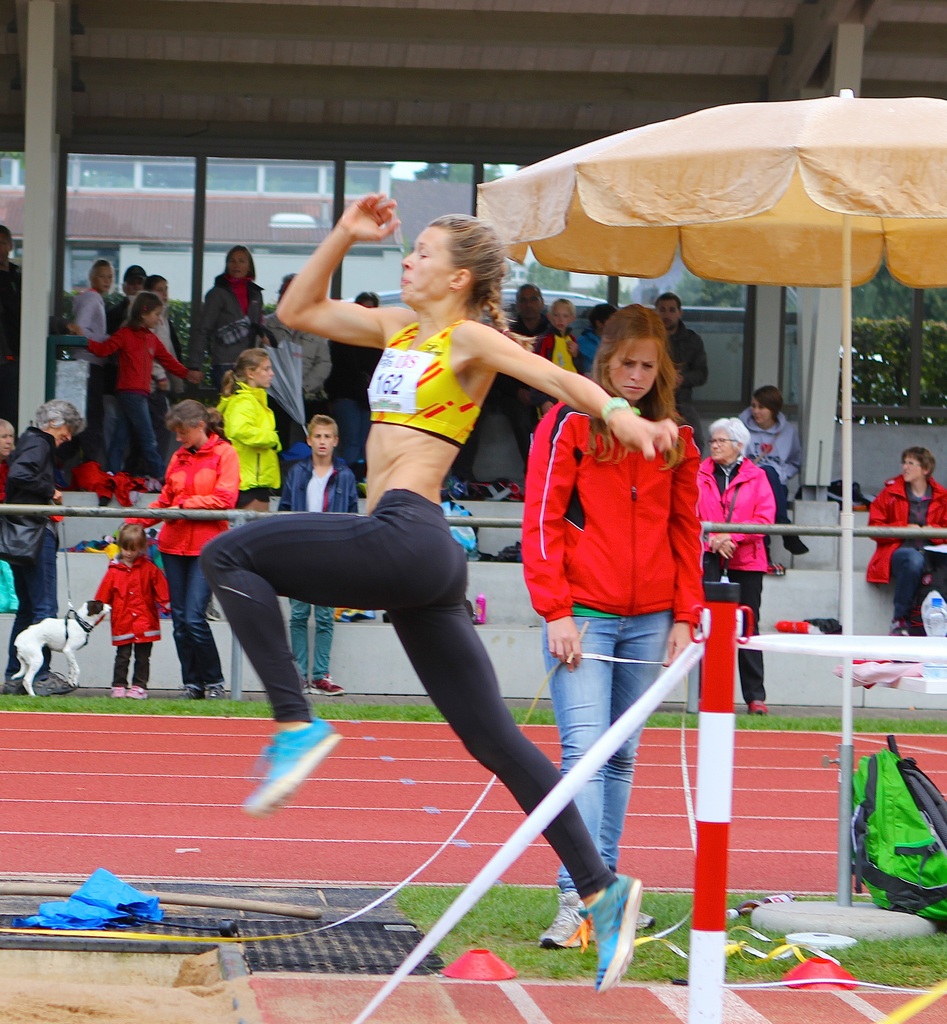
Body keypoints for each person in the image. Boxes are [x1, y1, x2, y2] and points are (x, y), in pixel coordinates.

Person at [200, 194, 680, 994]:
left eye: (419, 251)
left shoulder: (468, 336)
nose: (406, 259)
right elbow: (297, 309)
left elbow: (558, 376)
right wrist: (344, 234)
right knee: (496, 742)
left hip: (408, 532)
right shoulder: (395, 326)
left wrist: (623, 418)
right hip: (418, 564)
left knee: (228, 554)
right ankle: (601, 887)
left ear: (458, 277)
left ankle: (294, 724)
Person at [522, 304, 702, 949]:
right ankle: (580, 897)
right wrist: (557, 611)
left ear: (662, 371)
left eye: (647, 366)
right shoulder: (569, 425)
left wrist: (686, 615)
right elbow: (542, 519)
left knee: (620, 757)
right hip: (586, 614)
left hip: (652, 615)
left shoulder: (677, 439)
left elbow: (687, 530)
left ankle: (606, 887)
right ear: (606, 361)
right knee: (584, 754)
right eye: (626, 363)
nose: (635, 376)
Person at [129, 400, 238, 700]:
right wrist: (133, 520)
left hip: (207, 547)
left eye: (181, 432)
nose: (178, 439)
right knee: (179, 621)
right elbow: (164, 500)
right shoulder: (178, 456)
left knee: (193, 617)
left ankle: (213, 680)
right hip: (173, 546)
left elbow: (225, 499)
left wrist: (185, 505)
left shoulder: (225, 453)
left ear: (199, 426)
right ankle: (193, 683)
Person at [3, 400, 85, 693]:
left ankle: (15, 677)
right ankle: (39, 677)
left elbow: (17, 477)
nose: (69, 436)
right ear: (53, 423)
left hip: (20, 534)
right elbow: (20, 475)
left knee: (27, 609)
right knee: (44, 609)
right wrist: (51, 491)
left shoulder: (27, 441)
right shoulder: (40, 444)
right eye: (68, 429)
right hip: (35, 533)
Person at [696, 417, 775, 715]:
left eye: (720, 441)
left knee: (748, 627)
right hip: (709, 555)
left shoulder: (758, 476)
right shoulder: (700, 474)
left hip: (748, 560)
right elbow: (691, 515)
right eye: (712, 441)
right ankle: (708, 693)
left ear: (739, 445)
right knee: (709, 625)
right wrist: (716, 539)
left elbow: (765, 520)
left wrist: (732, 536)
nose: (714, 446)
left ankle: (755, 697)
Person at [278, 414, 358, 696]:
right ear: (309, 440)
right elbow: (285, 510)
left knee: (324, 617)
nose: (322, 442)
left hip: (330, 554)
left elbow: (352, 517)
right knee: (299, 615)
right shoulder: (298, 472)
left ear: (335, 442)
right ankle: (299, 675)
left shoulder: (345, 476)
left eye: (328, 437)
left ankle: (320, 675)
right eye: (318, 437)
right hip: (300, 552)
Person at [87, 290, 190, 481]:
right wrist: (86, 341)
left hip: (133, 393)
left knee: (121, 436)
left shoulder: (148, 338)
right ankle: (161, 476)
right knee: (148, 437)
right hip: (133, 394)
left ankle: (112, 473)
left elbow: (168, 360)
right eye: (156, 314)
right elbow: (105, 349)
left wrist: (186, 373)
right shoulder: (128, 335)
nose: (159, 320)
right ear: (144, 314)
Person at [450, 281, 545, 483]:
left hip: (544, 392)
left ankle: (539, 478)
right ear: (518, 305)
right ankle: (463, 478)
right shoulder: (509, 329)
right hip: (512, 394)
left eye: (533, 299)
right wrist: (516, 391)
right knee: (482, 417)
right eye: (524, 300)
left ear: (541, 303)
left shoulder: (551, 331)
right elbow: (497, 368)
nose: (529, 304)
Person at [867, 447, 947, 635]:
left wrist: (932, 531)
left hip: (933, 554)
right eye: (904, 462)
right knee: (913, 560)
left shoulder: (942, 496)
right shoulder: (889, 493)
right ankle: (899, 620)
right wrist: (903, 528)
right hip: (899, 553)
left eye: (911, 463)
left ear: (925, 469)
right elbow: (873, 527)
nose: (905, 467)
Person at [94, 522, 170, 699]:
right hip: (123, 620)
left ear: (141, 548)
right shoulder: (113, 571)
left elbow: (161, 587)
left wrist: (166, 604)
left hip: (144, 621)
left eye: (133, 549)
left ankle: (139, 686)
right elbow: (103, 596)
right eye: (126, 548)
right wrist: (95, 615)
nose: (128, 553)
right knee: (122, 656)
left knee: (143, 657)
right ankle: (119, 685)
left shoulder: (149, 568)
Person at [739, 384, 807, 569]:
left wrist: (783, 474)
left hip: (776, 486)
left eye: (761, 407)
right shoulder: (740, 428)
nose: (755, 411)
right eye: (753, 406)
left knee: (769, 472)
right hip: (747, 484)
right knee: (764, 472)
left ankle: (765, 553)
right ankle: (785, 526)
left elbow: (795, 461)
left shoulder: (788, 432)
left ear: (774, 409)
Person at [265, 274, 332, 449]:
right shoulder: (266, 324)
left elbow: (324, 362)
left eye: (291, 292)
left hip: (309, 394)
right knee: (277, 438)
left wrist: (303, 387)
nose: (284, 297)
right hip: (277, 394)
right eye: (282, 292)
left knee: (318, 435)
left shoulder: (317, 325)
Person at [188, 245, 267, 391]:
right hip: (225, 363)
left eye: (241, 261)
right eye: (232, 261)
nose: (236, 265)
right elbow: (202, 330)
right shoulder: (217, 293)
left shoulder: (256, 294)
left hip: (250, 364)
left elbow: (257, 326)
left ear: (249, 266)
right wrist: (195, 365)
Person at [324, 290, 381, 481]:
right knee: (351, 442)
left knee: (366, 443)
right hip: (347, 395)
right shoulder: (343, 335)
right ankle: (344, 482)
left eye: (371, 310)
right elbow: (341, 370)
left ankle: (361, 481)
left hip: (369, 398)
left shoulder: (380, 339)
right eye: (363, 309)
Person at [217, 348, 281, 512]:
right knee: (254, 534)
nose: (271, 373)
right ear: (250, 373)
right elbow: (239, 431)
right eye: (266, 369)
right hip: (248, 482)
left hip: (255, 480)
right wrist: (272, 439)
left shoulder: (254, 399)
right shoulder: (244, 401)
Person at [67, 259, 115, 466]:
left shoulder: (94, 299)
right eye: (102, 276)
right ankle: (88, 466)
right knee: (92, 416)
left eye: (110, 277)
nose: (106, 280)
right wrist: (107, 341)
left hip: (89, 363)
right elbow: (80, 330)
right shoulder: (91, 299)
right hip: (88, 364)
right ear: (92, 277)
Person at [655, 292, 708, 455]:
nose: (667, 315)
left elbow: (702, 374)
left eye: (671, 310)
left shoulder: (692, 340)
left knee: (696, 441)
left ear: (680, 312)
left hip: (682, 401)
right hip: (652, 399)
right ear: (656, 312)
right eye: (662, 310)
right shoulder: (648, 337)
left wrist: (682, 379)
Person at [143, 274, 185, 467]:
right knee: (158, 429)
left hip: (161, 380)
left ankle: (154, 470)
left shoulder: (163, 316)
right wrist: (160, 375)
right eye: (160, 289)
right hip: (152, 384)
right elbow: (151, 351)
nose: (165, 294)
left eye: (166, 289)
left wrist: (177, 381)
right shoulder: (152, 319)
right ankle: (154, 472)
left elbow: (169, 351)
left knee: (160, 429)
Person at [530, 298, 584, 415]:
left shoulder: (572, 340)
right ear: (549, 317)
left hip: (571, 397)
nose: (561, 320)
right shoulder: (546, 340)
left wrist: (576, 356)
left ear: (572, 319)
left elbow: (580, 370)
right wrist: (542, 400)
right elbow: (536, 371)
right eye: (557, 315)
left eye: (565, 316)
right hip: (551, 398)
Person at [0, 226, 22, 426]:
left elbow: (33, 310)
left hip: (19, 354)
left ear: (10, 245)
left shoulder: (18, 275)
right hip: (4, 355)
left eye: (3, 243)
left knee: (12, 412)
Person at [575, 302, 616, 371]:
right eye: (612, 321)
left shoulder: (619, 342)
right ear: (599, 323)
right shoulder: (581, 343)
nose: (616, 324)